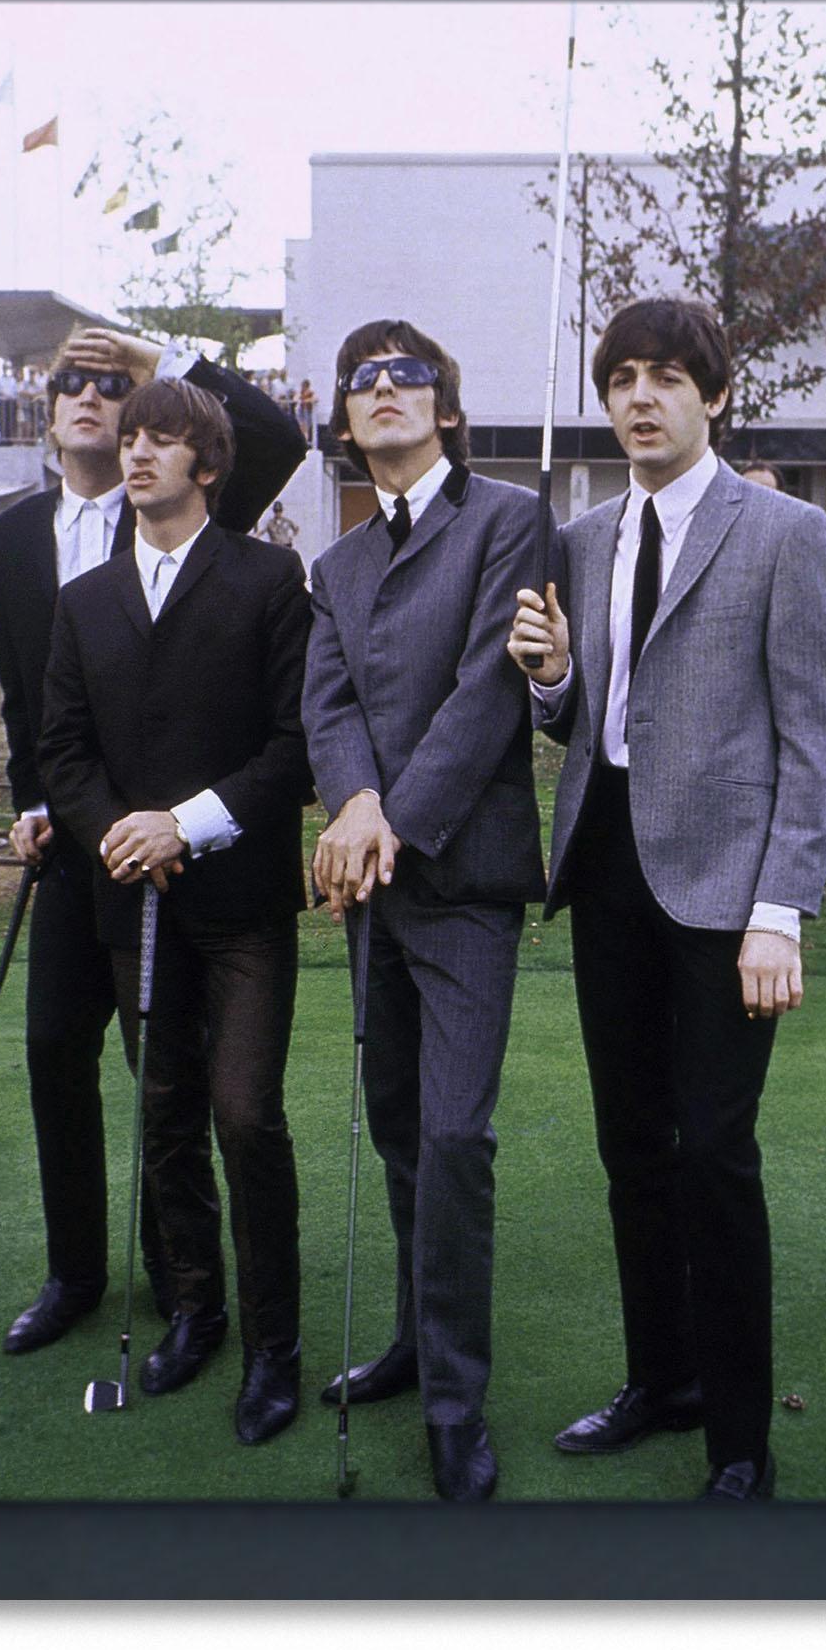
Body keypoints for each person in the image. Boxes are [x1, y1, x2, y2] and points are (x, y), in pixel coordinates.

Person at [507, 296, 826, 1503]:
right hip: (603, 866)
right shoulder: (585, 537)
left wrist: (780, 908)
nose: (638, 397)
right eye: (620, 378)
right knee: (630, 1151)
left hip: (724, 892)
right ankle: (660, 1379)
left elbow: (816, 735)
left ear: (712, 392)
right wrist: (547, 682)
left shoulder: (784, 534)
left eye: (664, 376)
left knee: (713, 1152)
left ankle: (741, 1442)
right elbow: (581, 717)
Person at [0, 324, 306, 1358]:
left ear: (202, 464)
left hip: (232, 888)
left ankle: (256, 1332)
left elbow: (294, 742)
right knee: (144, 1097)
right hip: (112, 877)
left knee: (240, 1110)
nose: (131, 445)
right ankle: (163, 1298)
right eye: (125, 432)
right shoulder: (60, 580)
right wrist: (87, 818)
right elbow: (46, 730)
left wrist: (186, 822)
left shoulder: (261, 570)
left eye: (153, 432)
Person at [302, 318, 544, 1503]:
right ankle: (409, 1339)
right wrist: (350, 800)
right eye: (363, 379)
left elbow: (489, 688)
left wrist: (388, 817)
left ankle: (455, 1399)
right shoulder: (336, 564)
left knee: (454, 1138)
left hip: (461, 881)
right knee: (397, 1128)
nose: (384, 388)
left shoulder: (507, 517)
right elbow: (328, 698)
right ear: (345, 422)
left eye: (408, 376)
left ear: (444, 407)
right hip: (370, 885)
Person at [0, 362, 23, 443]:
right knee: (2, 420)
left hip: (11, 402)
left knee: (11, 421)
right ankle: (3, 439)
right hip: (3, 402)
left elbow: (15, 391)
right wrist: (7, 395)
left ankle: (10, 439)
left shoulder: (13, 380)